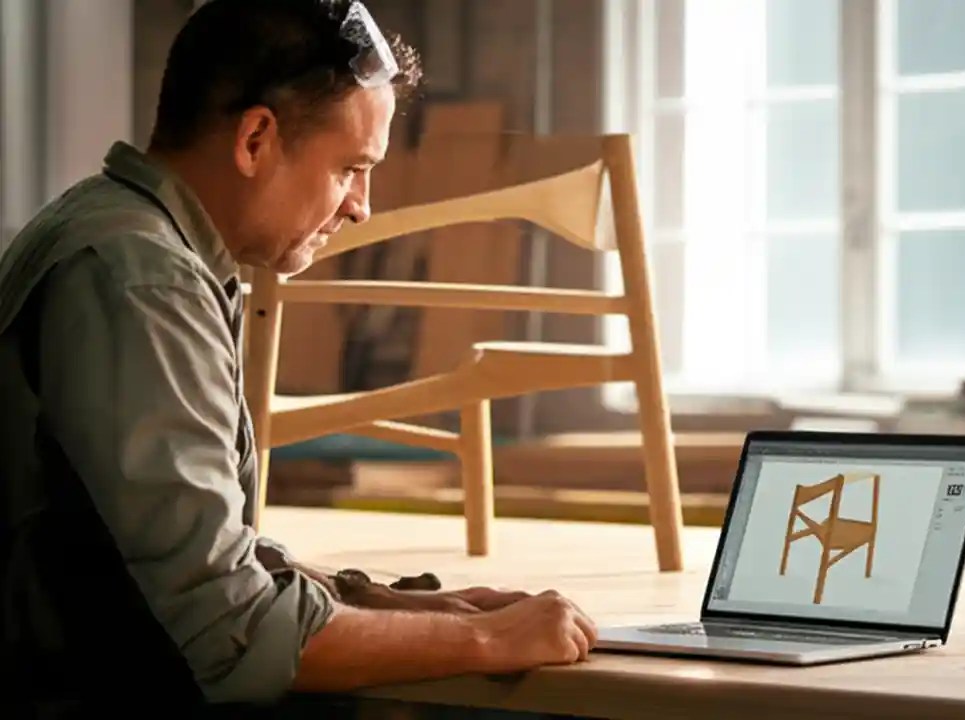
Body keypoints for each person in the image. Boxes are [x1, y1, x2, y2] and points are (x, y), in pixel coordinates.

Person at [0, 0, 596, 712]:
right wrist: (488, 641)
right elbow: (235, 634)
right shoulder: (141, 278)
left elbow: (199, 561)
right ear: (256, 139)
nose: (361, 206)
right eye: (350, 168)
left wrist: (408, 609)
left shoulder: (123, 232)